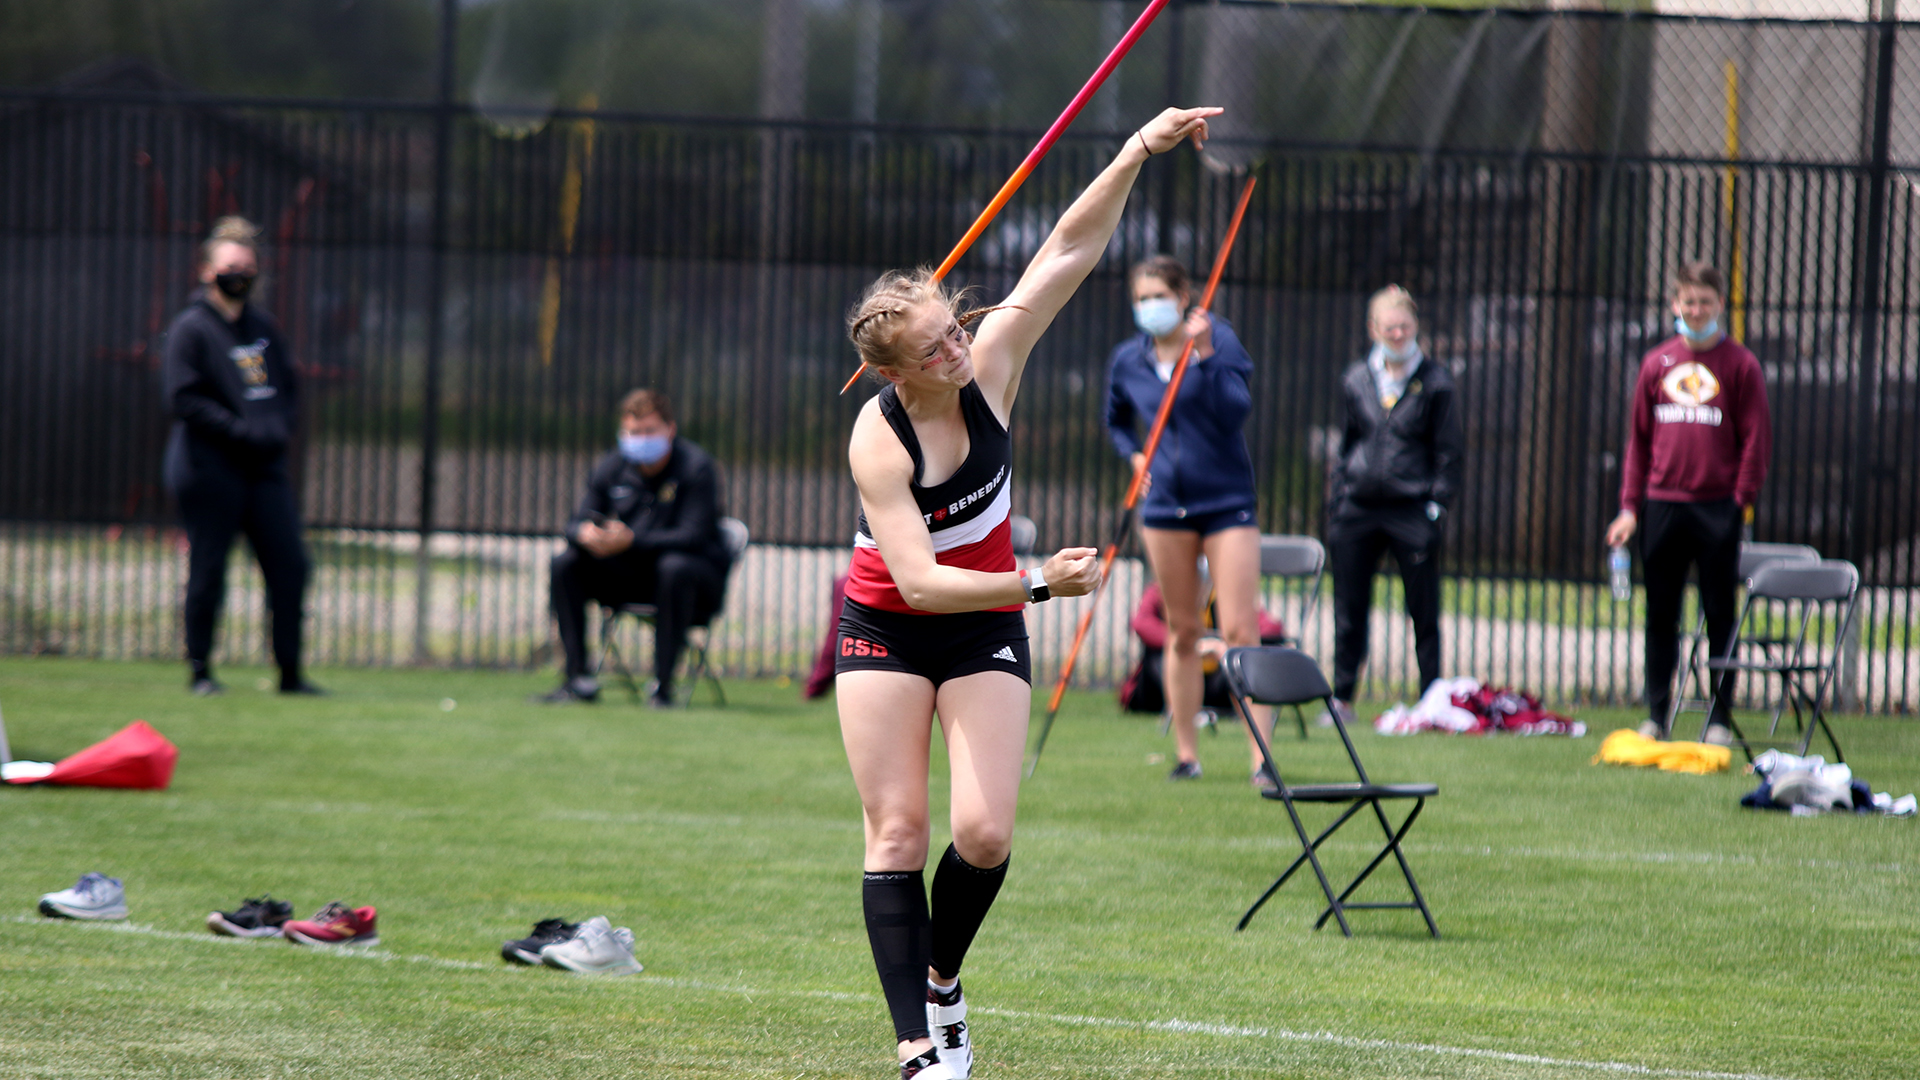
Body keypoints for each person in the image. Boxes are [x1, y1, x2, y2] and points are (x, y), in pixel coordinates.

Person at [836, 106, 1219, 1080]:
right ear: (890, 371)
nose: (957, 348)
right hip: (891, 622)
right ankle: (919, 1050)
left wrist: (1136, 149)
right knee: (898, 830)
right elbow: (919, 582)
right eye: (933, 348)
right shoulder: (878, 438)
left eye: (954, 326)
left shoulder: (991, 362)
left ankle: (941, 979)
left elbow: (1066, 250)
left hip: (983, 625)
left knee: (985, 833)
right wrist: (1041, 583)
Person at [1106, 254, 1274, 785]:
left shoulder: (1218, 339)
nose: (1149, 306)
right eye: (1141, 298)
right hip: (1164, 509)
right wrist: (1134, 456)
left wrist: (1203, 355)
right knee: (1181, 630)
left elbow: (1233, 412)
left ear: (1183, 298)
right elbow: (1115, 421)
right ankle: (1186, 754)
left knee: (1239, 627)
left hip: (1227, 503)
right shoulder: (1128, 359)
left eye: (1159, 295)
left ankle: (1261, 760)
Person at [1605, 262, 1772, 745]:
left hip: (1717, 507)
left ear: (1720, 304)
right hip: (1661, 507)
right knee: (1661, 615)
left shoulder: (1741, 365)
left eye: (1705, 302)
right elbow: (1638, 441)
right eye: (1688, 302)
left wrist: (1740, 502)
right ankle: (1657, 715)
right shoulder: (1656, 363)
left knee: (1720, 614)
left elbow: (1756, 442)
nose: (1696, 311)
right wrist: (1629, 508)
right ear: (1675, 304)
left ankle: (1719, 719)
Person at [161, 216, 318, 697]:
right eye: (231, 266)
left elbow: (287, 388)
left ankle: (290, 674)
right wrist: (238, 430)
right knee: (209, 568)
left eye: (248, 267)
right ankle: (201, 670)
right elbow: (183, 398)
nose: (240, 275)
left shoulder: (263, 328)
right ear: (208, 270)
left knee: (290, 566)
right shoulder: (191, 329)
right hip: (210, 468)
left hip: (263, 469)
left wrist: (277, 428)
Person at [535, 389, 731, 707]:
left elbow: (694, 536)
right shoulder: (613, 466)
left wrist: (632, 540)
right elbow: (576, 521)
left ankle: (663, 687)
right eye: (633, 432)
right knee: (566, 563)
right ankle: (576, 680)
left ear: (670, 429)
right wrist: (586, 533)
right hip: (630, 575)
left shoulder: (697, 468)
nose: (640, 439)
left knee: (674, 567)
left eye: (649, 431)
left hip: (691, 582)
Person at [1326, 285, 1462, 722]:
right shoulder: (1355, 378)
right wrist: (1340, 494)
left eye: (1404, 326)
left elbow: (1449, 451)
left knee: (1422, 608)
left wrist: (1436, 504)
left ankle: (1430, 699)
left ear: (1415, 326)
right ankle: (1342, 697)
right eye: (1390, 328)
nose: (1398, 334)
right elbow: (1347, 443)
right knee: (1349, 608)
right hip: (1359, 508)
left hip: (1411, 508)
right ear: (1374, 330)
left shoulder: (1437, 382)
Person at [1118, 572, 1286, 716]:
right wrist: (1191, 644)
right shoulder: (1164, 588)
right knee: (1158, 657)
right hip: (1170, 674)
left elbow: (1271, 627)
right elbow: (1141, 622)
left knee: (1239, 662)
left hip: (1214, 679)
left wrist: (1226, 645)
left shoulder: (1225, 594)